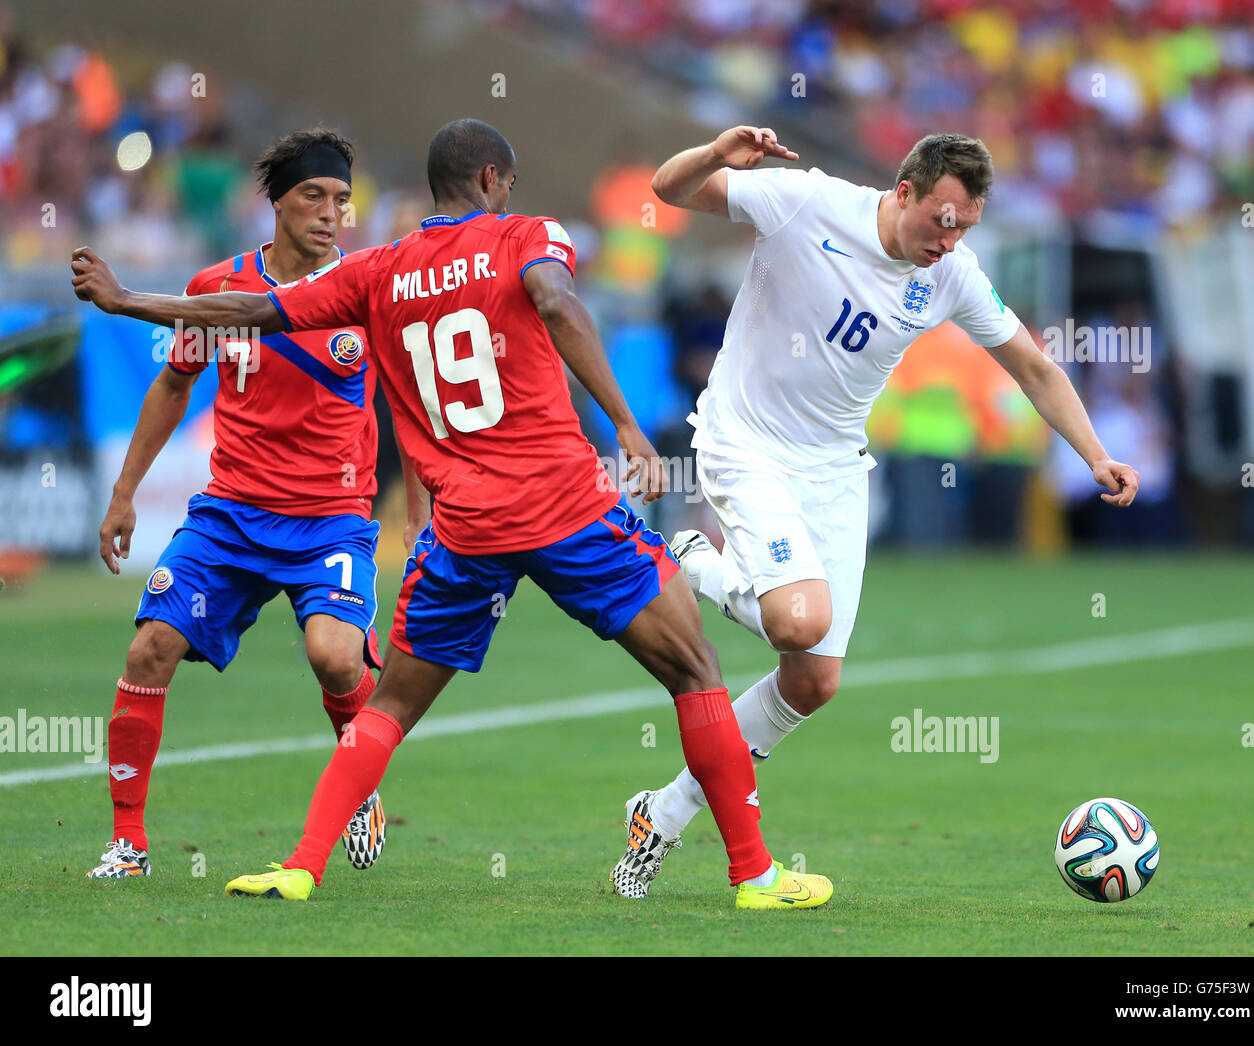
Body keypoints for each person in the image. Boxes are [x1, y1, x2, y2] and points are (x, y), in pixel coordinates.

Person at [72, 118, 832, 910]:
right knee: (694, 670)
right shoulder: (528, 236)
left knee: (392, 703)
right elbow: (556, 299)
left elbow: (253, 313)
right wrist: (628, 425)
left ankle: (301, 866)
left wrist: (127, 301)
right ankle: (754, 876)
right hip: (563, 504)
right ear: (494, 181)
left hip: (465, 527)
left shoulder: (373, 272)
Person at [611, 126, 1141, 897]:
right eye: (941, 220)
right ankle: (692, 558)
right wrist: (712, 156)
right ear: (904, 193)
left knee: (813, 682)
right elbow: (667, 187)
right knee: (798, 621)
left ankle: (661, 811)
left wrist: (1094, 454)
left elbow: (1031, 363)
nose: (949, 239)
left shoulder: (953, 273)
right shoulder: (805, 203)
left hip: (833, 468)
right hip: (746, 443)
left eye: (965, 227)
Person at [85, 128, 428, 880]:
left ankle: (357, 778)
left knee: (335, 657)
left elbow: (410, 408)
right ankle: (129, 843)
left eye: (342, 199)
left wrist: (421, 519)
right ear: (275, 202)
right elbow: (174, 386)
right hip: (231, 514)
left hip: (330, 520)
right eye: (314, 195)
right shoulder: (218, 289)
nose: (331, 212)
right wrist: (124, 492)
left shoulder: (369, 292)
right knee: (149, 649)